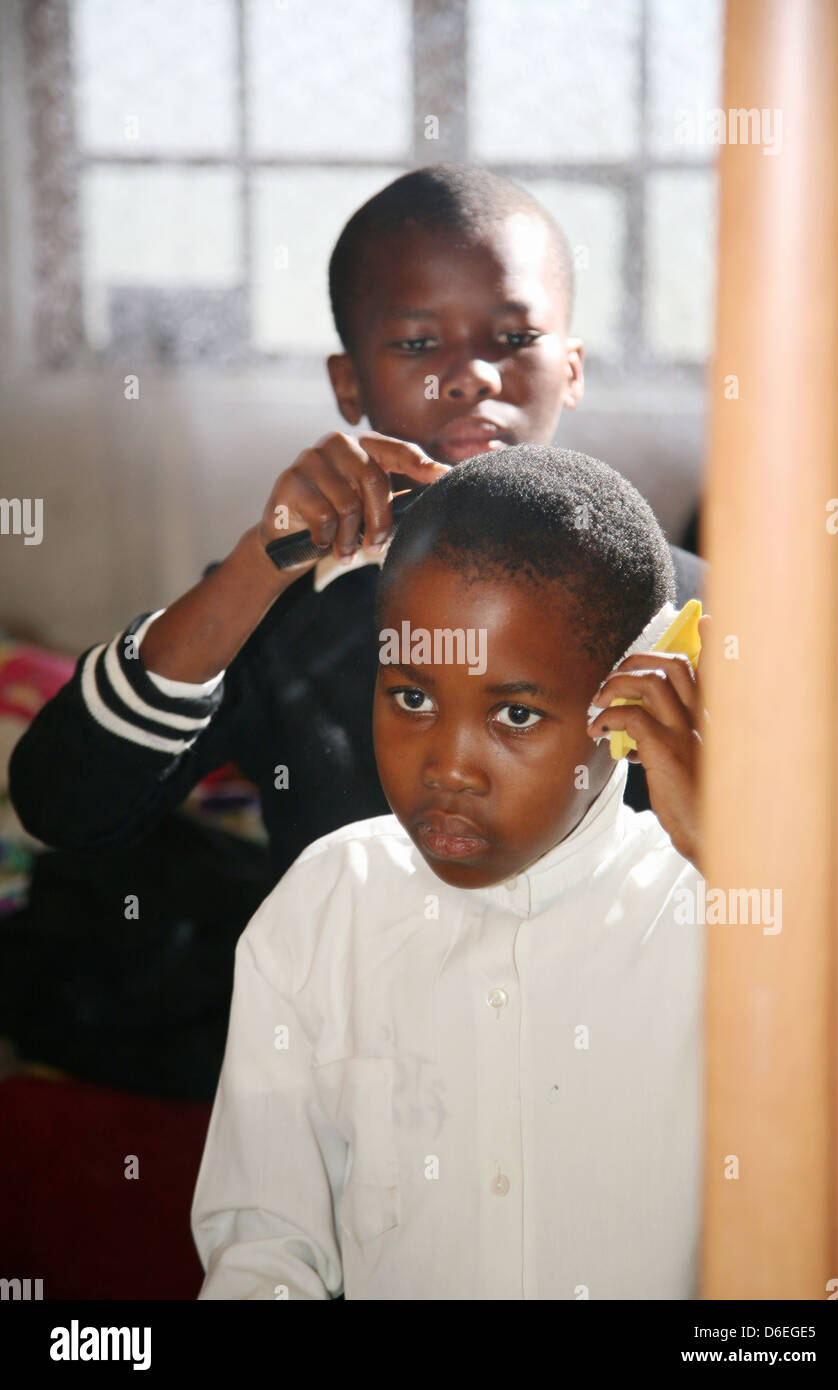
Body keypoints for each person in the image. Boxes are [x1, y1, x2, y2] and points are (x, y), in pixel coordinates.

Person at [9, 166, 705, 886]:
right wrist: (259, 562)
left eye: (513, 335)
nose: (471, 376)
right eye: (415, 344)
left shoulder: (683, 604)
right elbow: (62, 805)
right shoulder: (276, 608)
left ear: (571, 368)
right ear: (349, 384)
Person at [191, 446, 706, 1300]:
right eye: (412, 697)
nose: (450, 767)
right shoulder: (325, 910)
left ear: (629, 709)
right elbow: (265, 1244)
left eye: (514, 713)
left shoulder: (719, 915)